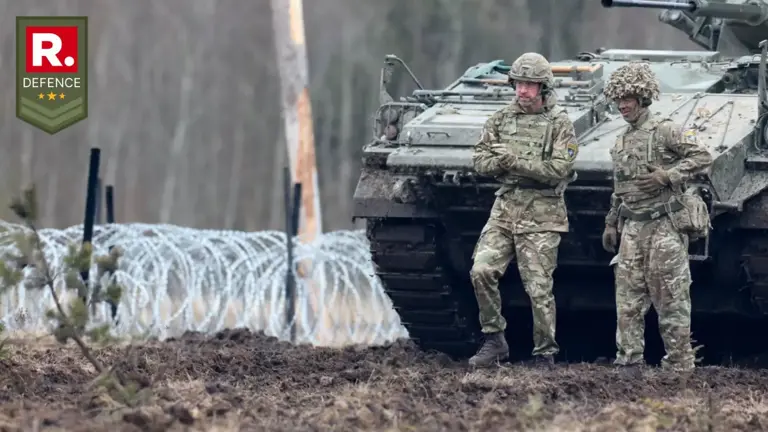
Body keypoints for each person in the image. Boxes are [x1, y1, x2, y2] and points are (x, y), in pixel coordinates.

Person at [468, 52, 579, 368]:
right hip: (505, 208)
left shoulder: (560, 124)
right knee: (482, 271)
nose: (522, 91)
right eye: (518, 84)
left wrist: (514, 163)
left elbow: (559, 169)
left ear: (543, 88)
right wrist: (499, 164)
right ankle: (494, 339)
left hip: (542, 212)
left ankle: (545, 352)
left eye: (530, 85)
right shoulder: (500, 120)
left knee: (538, 287)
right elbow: (480, 161)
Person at [601, 62, 713, 372]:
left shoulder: (667, 130)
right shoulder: (622, 139)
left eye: (629, 98)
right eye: (618, 100)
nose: (622, 105)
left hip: (664, 224)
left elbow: (703, 157)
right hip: (633, 227)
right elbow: (621, 187)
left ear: (643, 97)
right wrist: (612, 221)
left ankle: (678, 364)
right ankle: (629, 361)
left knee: (671, 299)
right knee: (628, 301)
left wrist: (668, 176)